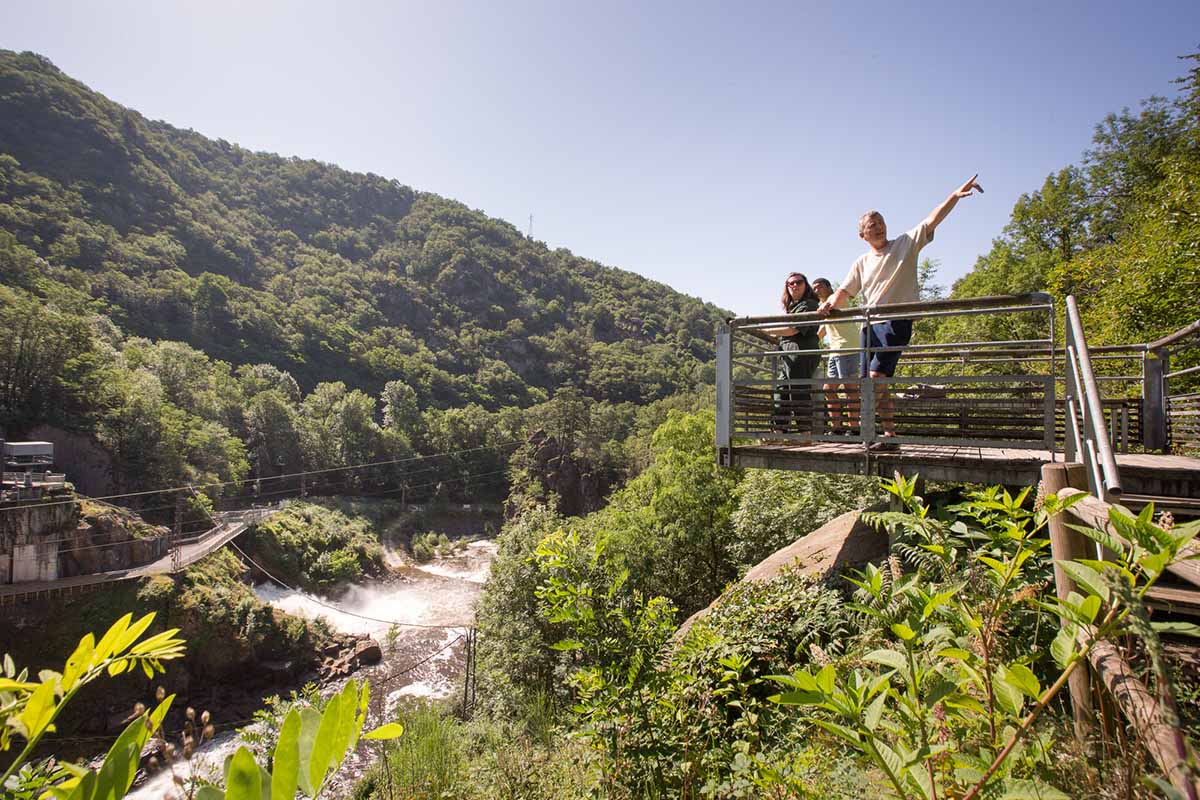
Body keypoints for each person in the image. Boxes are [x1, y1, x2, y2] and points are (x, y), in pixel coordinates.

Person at [817, 175, 984, 451]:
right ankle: (890, 435)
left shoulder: (904, 244)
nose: (879, 227)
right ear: (863, 235)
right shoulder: (861, 262)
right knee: (875, 383)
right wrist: (829, 305)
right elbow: (844, 292)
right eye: (872, 225)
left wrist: (954, 196)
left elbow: (932, 219)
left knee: (874, 381)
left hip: (896, 322)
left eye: (881, 222)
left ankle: (870, 433)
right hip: (869, 326)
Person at [767, 272, 821, 439]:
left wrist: (766, 330)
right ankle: (778, 433)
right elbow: (787, 330)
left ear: (805, 285)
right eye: (791, 283)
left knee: (798, 391)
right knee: (781, 391)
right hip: (789, 354)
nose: (794, 286)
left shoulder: (809, 304)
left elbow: (793, 329)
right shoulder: (793, 307)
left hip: (801, 353)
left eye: (798, 282)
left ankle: (805, 434)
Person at [813, 277, 859, 435]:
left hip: (847, 347)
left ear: (828, 287)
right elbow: (822, 331)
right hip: (835, 350)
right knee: (828, 389)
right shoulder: (822, 306)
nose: (816, 290)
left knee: (850, 389)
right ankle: (837, 428)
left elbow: (830, 306)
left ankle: (854, 429)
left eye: (819, 287)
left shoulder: (833, 299)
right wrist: (809, 343)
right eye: (814, 288)